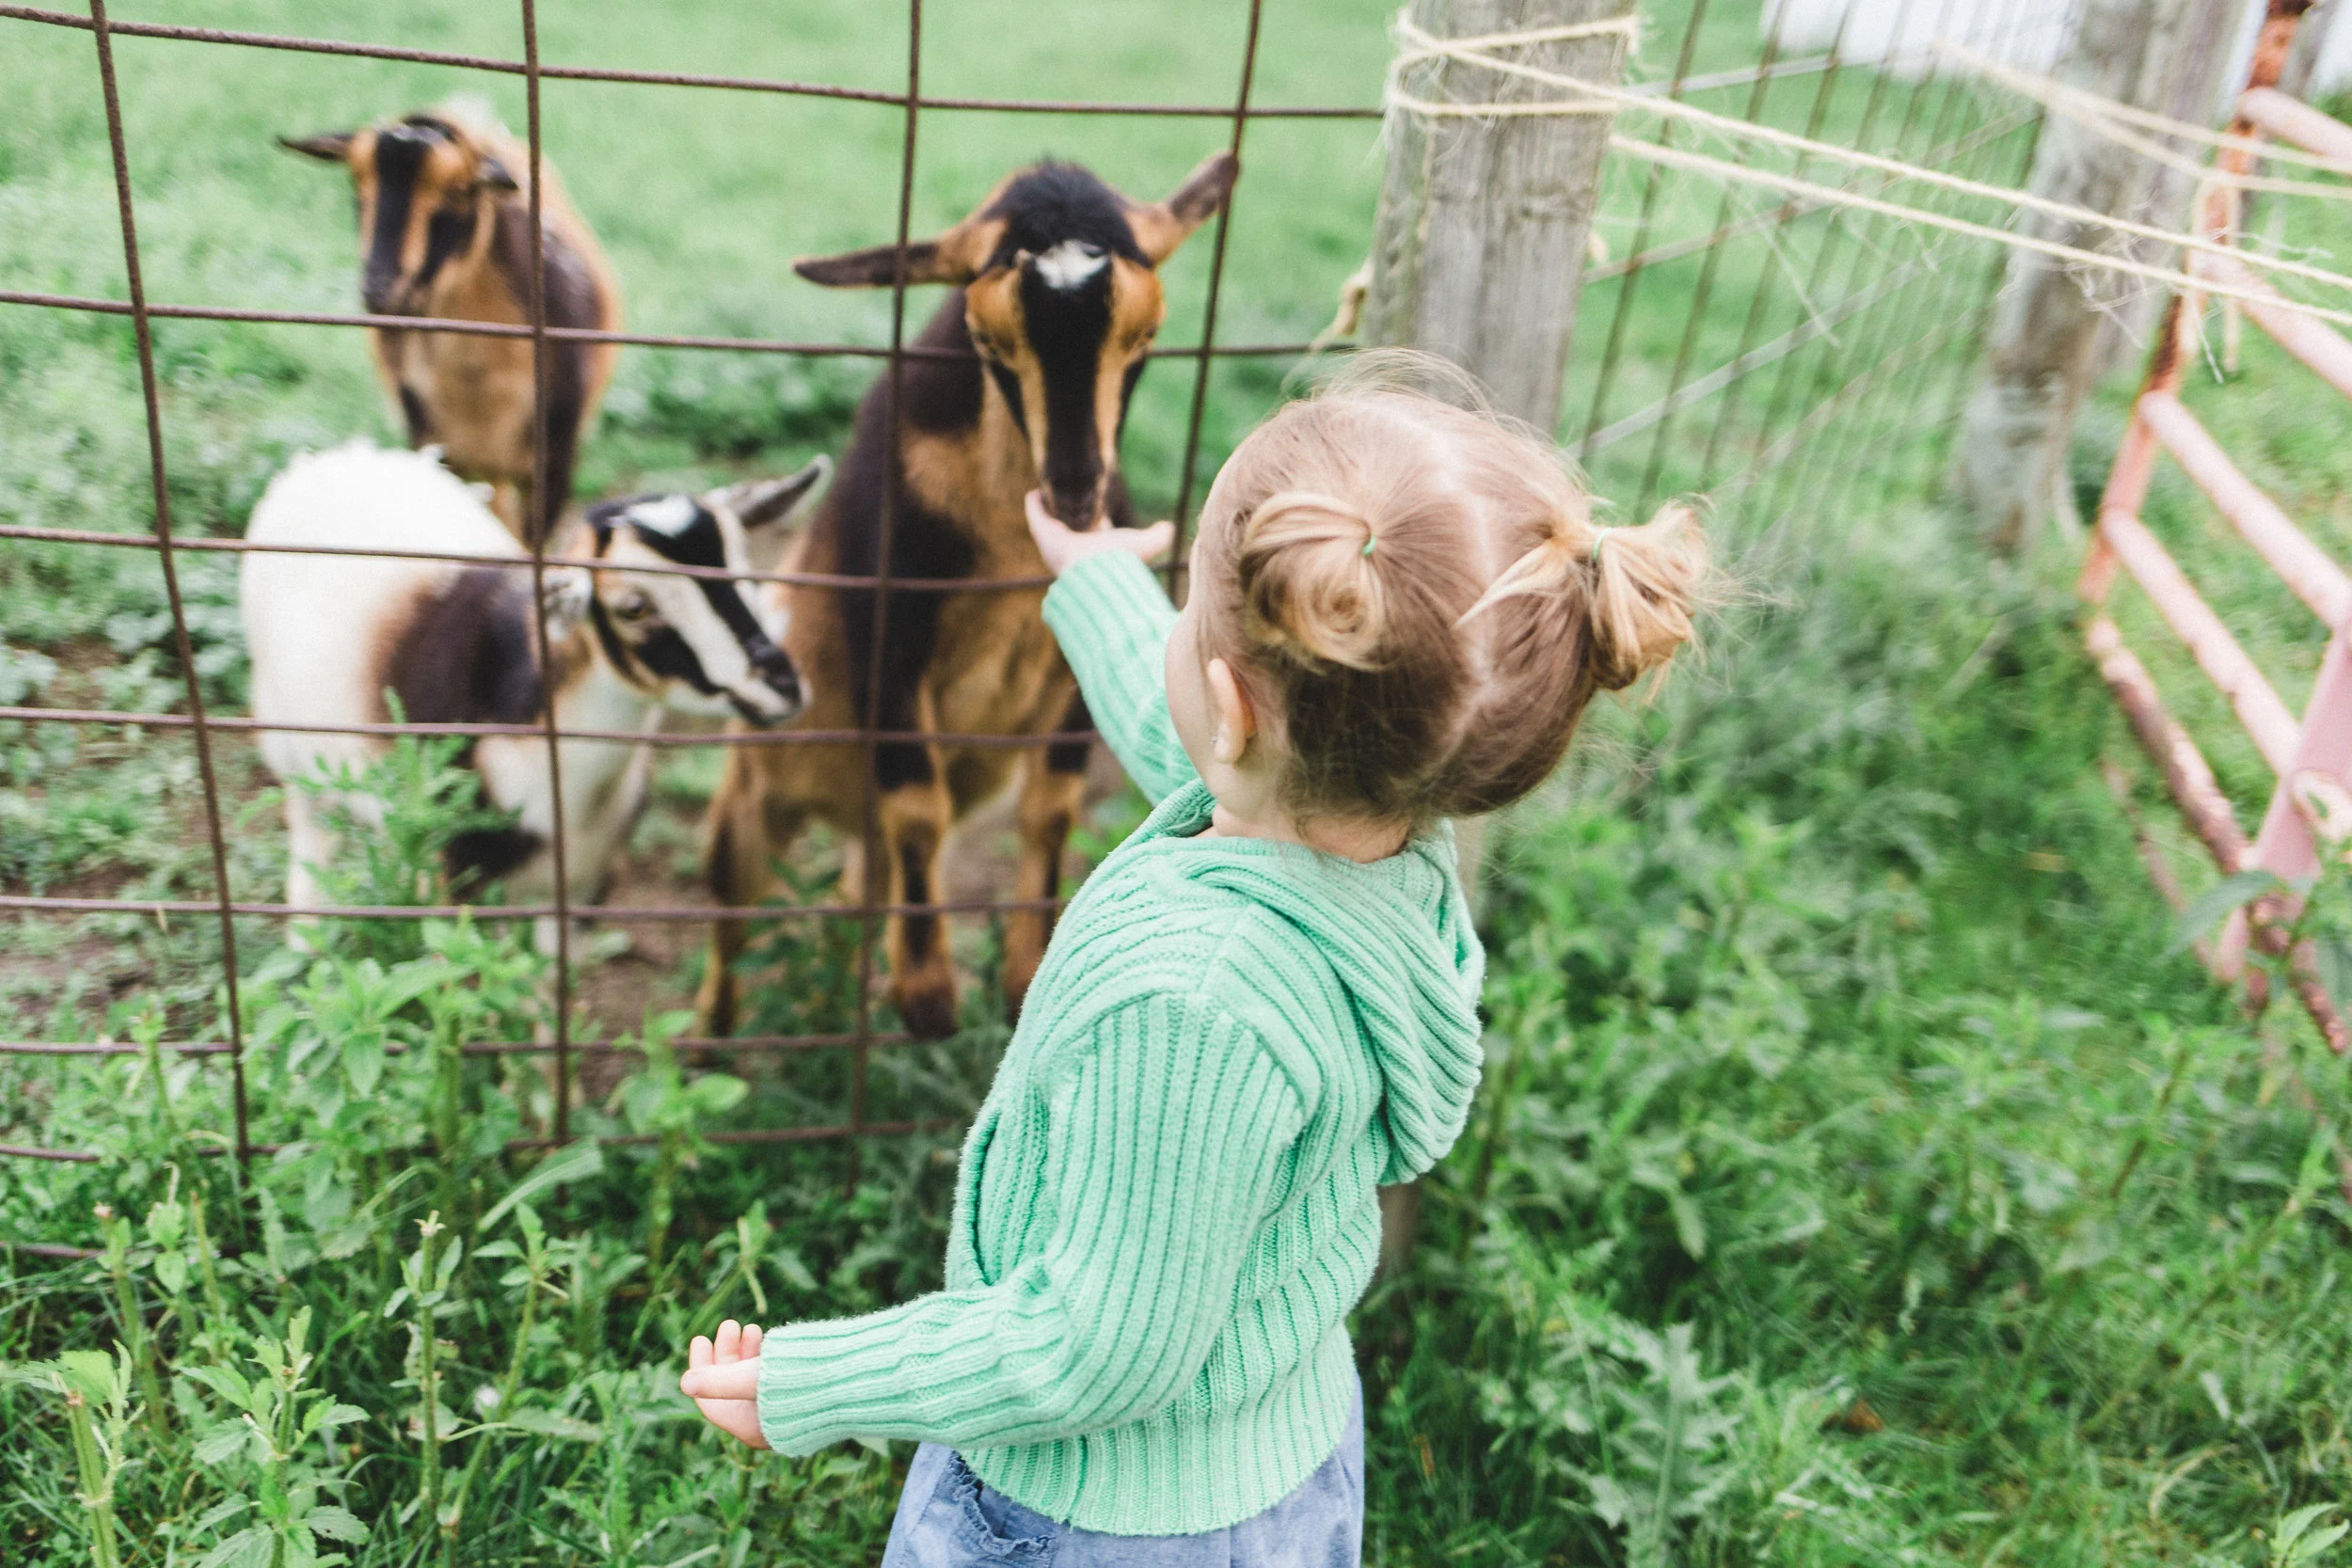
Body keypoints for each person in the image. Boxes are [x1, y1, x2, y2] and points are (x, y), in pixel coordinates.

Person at [676, 367, 1708, 1563]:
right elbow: (1178, 727)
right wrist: (1097, 576)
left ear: (1233, 707)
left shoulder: (1194, 1007)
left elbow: (1092, 1347)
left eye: (1186, 618)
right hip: (1276, 1450)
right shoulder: (1380, 848)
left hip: (1092, 1517)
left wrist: (816, 1382)